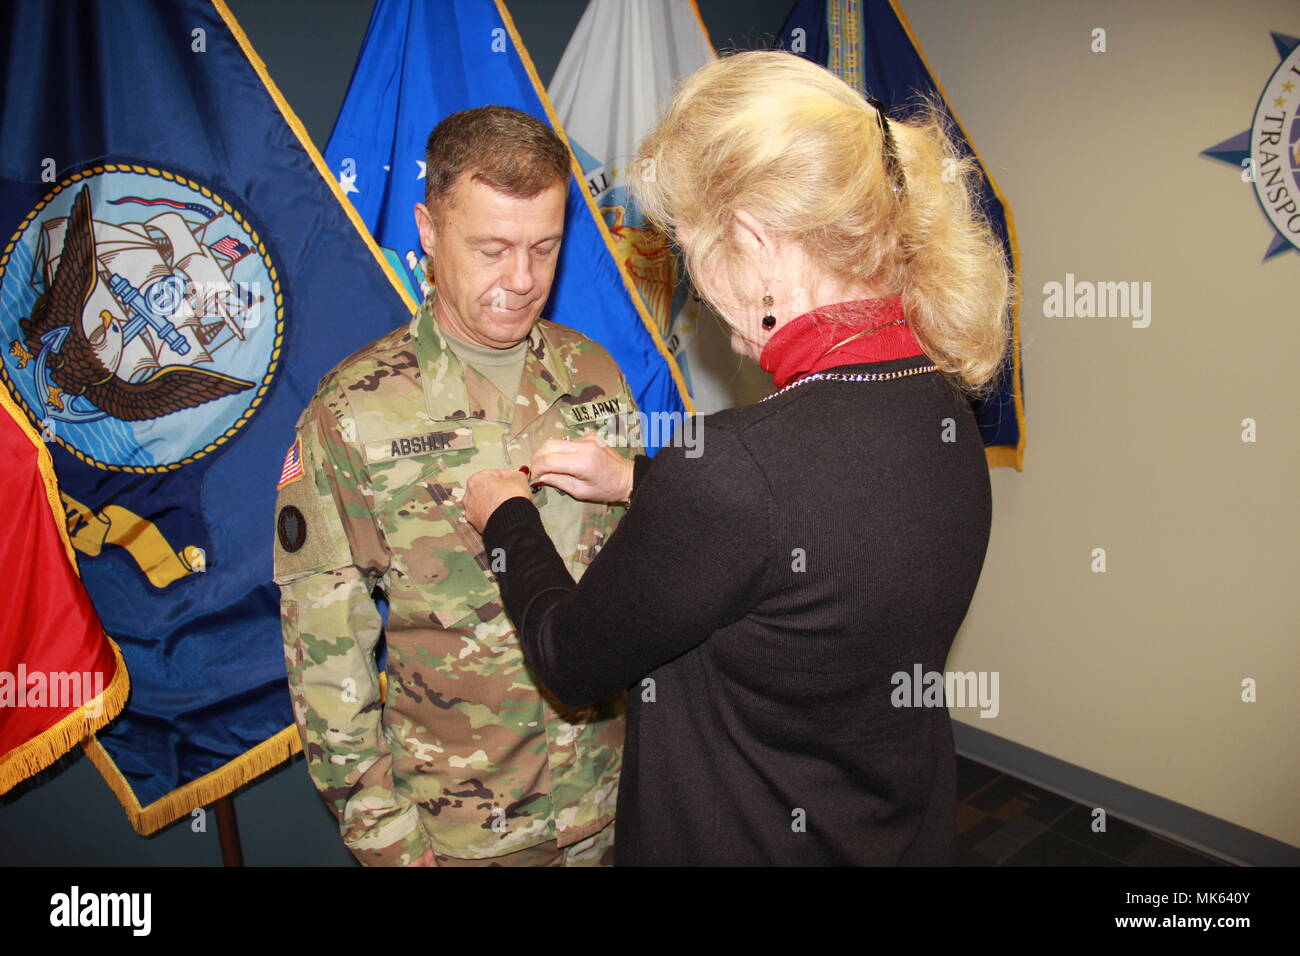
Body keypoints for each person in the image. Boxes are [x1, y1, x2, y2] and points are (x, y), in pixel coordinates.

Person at [464, 51, 1013, 865]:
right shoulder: (937, 402)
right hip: (889, 830)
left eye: (688, 246)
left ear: (753, 239)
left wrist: (506, 518)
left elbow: (572, 656)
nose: (694, 278)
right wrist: (635, 478)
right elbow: (820, 519)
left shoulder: (734, 473)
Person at [272, 106, 641, 867]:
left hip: (614, 800)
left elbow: (646, 577)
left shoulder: (596, 375)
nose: (523, 280)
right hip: (466, 832)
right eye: (492, 249)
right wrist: (388, 839)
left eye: (545, 247)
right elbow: (327, 653)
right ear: (429, 231)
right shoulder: (354, 412)